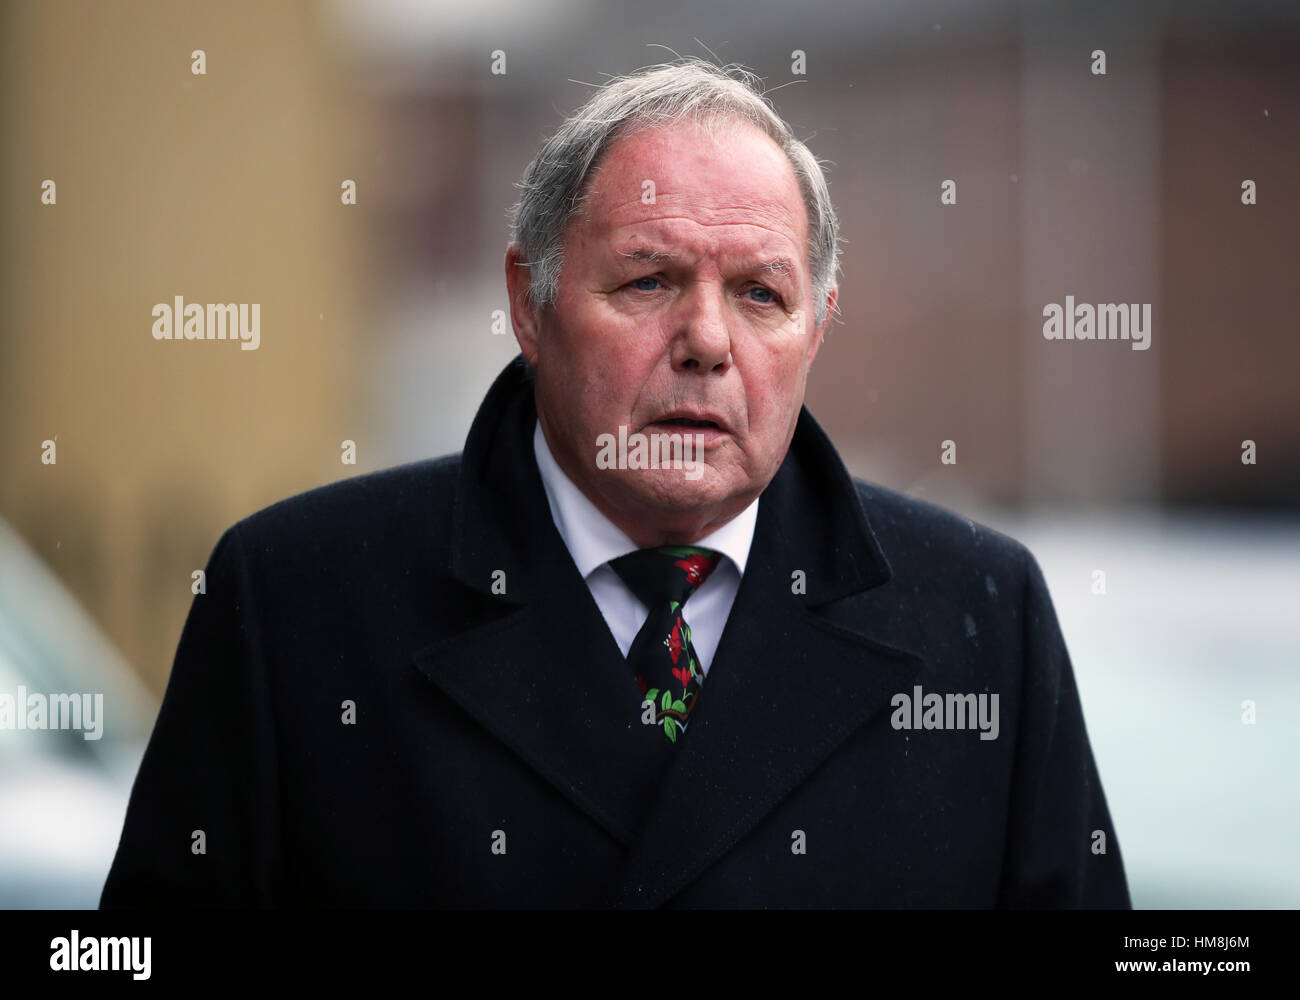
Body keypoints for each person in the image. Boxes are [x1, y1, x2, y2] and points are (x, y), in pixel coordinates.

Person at [101, 58, 1130, 908]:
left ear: (814, 330)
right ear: (529, 302)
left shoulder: (977, 619)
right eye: (649, 281)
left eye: (760, 294)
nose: (706, 343)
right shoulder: (296, 601)